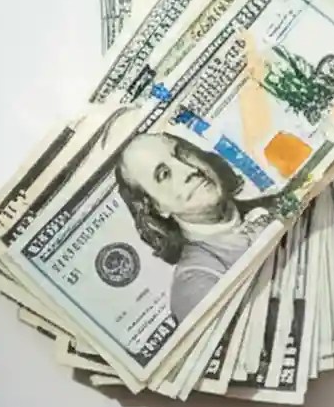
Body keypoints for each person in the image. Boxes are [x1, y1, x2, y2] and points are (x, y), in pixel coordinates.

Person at [114, 131, 291, 320]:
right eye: (164, 174)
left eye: (182, 154)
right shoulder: (195, 284)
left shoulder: (276, 201)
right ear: (157, 208)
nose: (189, 170)